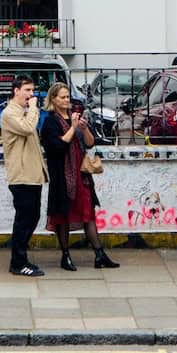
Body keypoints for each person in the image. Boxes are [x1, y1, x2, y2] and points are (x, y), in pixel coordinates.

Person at [42, 84, 115, 272]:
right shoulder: (51, 122)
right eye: (62, 97)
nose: (66, 101)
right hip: (63, 176)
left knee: (88, 213)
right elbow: (56, 147)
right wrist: (73, 128)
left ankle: (99, 254)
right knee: (63, 216)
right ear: (53, 100)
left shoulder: (76, 117)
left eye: (67, 97)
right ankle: (65, 255)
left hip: (81, 176)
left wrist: (84, 128)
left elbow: (89, 143)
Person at [0, 77, 46, 277]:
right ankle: (18, 262)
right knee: (24, 220)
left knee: (32, 217)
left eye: (32, 90)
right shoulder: (10, 113)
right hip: (21, 175)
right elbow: (27, 128)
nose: (31, 94)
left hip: (32, 174)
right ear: (16, 91)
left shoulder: (25, 113)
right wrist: (34, 109)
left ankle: (22, 258)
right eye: (27, 89)